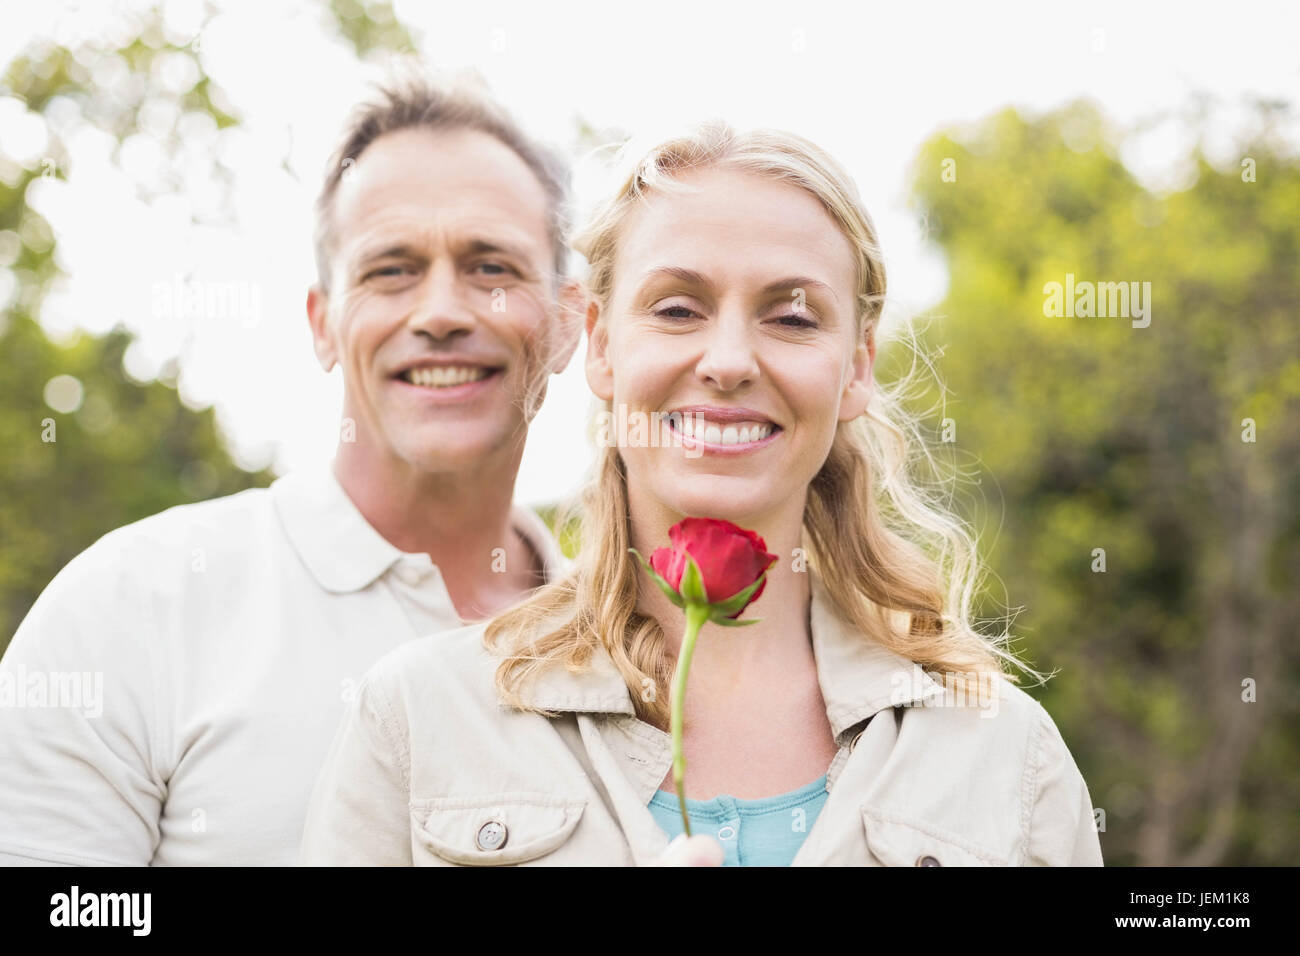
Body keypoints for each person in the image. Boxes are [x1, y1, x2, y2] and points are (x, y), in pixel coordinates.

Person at [299, 121, 1104, 867]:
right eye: (678, 309)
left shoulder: (1007, 756)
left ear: (856, 365)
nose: (728, 362)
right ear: (600, 344)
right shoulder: (420, 716)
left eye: (792, 318)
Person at [0, 73, 582, 866]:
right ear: (323, 324)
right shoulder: (130, 606)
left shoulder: (640, 652)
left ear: (569, 322)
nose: (442, 311)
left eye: (492, 268)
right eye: (392, 269)